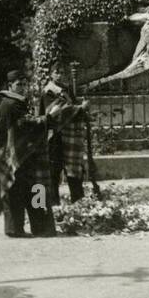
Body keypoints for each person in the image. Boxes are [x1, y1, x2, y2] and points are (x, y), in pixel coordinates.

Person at [0, 69, 55, 238]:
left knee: (26, 189)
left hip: (21, 153)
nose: (22, 87)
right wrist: (48, 118)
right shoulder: (11, 103)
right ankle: (19, 228)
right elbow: (25, 123)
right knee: (20, 190)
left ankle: (31, 227)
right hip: (15, 154)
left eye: (24, 84)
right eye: (18, 84)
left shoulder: (15, 102)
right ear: (10, 85)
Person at [44, 70, 93, 203]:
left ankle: (78, 203)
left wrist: (82, 107)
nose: (60, 75)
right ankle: (54, 205)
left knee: (73, 171)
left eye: (62, 72)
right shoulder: (49, 91)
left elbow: (72, 105)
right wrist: (80, 108)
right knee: (54, 171)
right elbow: (57, 112)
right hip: (55, 136)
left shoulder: (66, 90)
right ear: (50, 74)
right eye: (56, 72)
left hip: (70, 135)